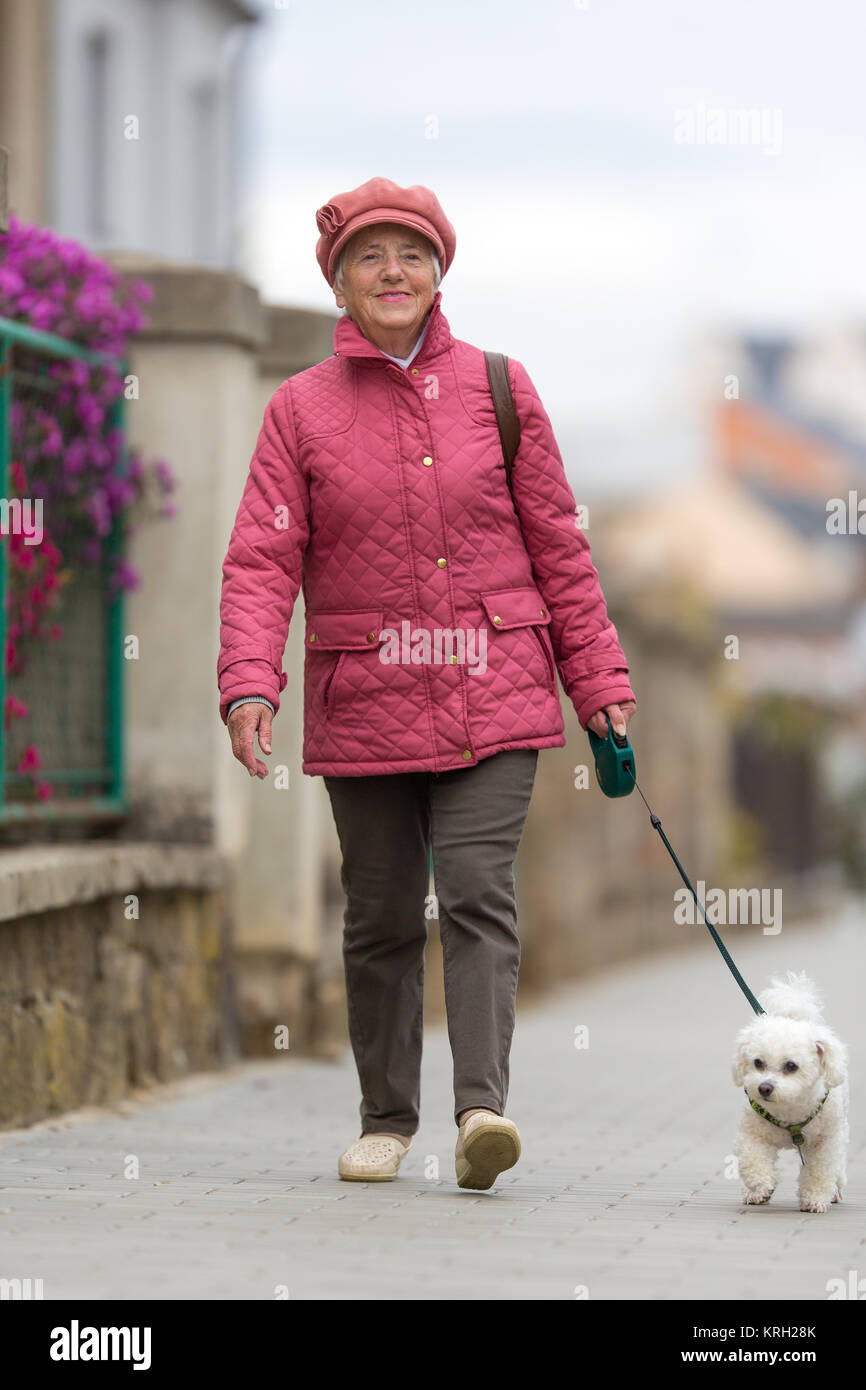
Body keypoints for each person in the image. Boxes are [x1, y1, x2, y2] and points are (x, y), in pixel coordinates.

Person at [218, 176, 636, 1189]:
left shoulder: (500, 387)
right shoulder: (297, 409)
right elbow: (262, 560)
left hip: (496, 685)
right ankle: (385, 1121)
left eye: (411, 253)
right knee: (380, 914)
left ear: (439, 273)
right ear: (339, 285)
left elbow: (559, 548)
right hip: (362, 699)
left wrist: (597, 679)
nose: (392, 271)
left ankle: (481, 1112)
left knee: (480, 893)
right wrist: (249, 681)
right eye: (369, 256)